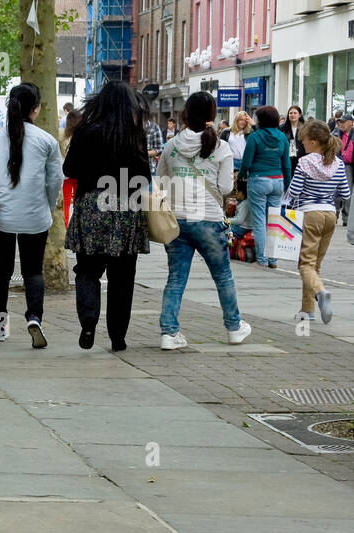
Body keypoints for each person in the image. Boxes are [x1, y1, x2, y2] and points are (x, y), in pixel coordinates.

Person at [155, 91, 252, 350]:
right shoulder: (221, 147)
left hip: (177, 221)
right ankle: (233, 328)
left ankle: (168, 332)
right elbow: (223, 189)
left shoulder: (172, 145)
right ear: (212, 115)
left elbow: (161, 181)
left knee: (176, 278)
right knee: (223, 277)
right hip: (208, 219)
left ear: (185, 113)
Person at [62, 81, 152, 351]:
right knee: (123, 276)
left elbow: (70, 168)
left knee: (87, 270)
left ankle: (88, 321)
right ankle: (118, 337)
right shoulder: (135, 134)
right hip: (126, 208)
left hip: (92, 207)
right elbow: (144, 176)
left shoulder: (85, 130)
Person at [0, 82, 63, 348]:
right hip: (35, 218)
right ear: (36, 109)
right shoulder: (47, 141)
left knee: (1, 270)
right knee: (33, 271)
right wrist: (45, 205)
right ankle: (34, 318)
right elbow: (55, 181)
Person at [284, 120, 350, 324]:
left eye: (303, 140)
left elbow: (293, 192)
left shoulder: (305, 162)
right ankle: (307, 309)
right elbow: (345, 193)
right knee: (315, 265)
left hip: (309, 214)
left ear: (313, 142)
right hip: (330, 215)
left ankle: (321, 292)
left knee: (305, 264)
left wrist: (286, 205)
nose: (302, 143)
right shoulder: (337, 163)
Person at [238, 105, 292, 268]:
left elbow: (246, 162)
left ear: (260, 120)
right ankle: (273, 259)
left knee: (259, 221)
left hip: (258, 180)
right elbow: (287, 163)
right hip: (277, 181)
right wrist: (287, 184)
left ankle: (262, 259)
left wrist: (240, 177)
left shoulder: (255, 137)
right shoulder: (282, 138)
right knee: (274, 221)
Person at [336, 115, 354, 225]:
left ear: (351, 122)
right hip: (340, 164)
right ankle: (335, 213)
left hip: (351, 165)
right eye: (340, 122)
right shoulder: (337, 134)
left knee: (349, 192)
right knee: (338, 190)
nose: (341, 124)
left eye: (343, 122)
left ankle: (346, 218)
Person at [280, 105, 306, 176]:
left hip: (301, 158)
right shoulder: (282, 128)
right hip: (286, 158)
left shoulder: (305, 128)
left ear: (299, 115)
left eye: (295, 113)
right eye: (290, 113)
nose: (293, 115)